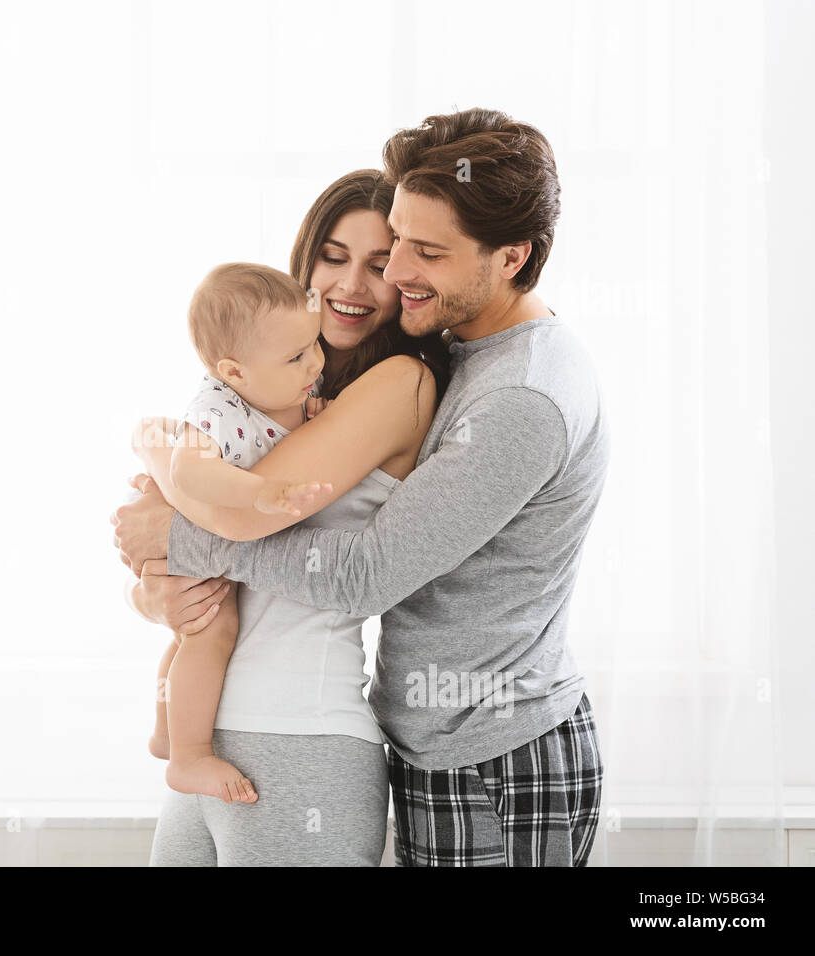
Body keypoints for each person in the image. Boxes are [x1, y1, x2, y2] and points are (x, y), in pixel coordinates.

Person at [116, 108, 610, 867]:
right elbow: (219, 530)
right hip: (405, 737)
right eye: (389, 247)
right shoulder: (425, 353)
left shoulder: (497, 391)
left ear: (510, 257)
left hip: (487, 753)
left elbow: (359, 573)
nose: (394, 273)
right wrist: (157, 588)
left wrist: (171, 529)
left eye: (415, 254)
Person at [122, 169, 450, 865]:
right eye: (333, 257)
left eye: (379, 264)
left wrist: (163, 481)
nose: (352, 285)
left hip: (302, 736)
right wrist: (152, 591)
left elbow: (231, 521)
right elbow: (185, 515)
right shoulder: (271, 388)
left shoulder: (399, 383)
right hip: (206, 740)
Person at [142, 261, 334, 805]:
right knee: (212, 628)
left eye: (314, 345)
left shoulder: (281, 394)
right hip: (192, 534)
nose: (314, 362)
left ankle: (165, 728)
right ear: (235, 373)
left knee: (187, 636)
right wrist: (258, 493)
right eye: (296, 357)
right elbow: (187, 470)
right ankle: (189, 755)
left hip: (197, 539)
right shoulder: (216, 408)